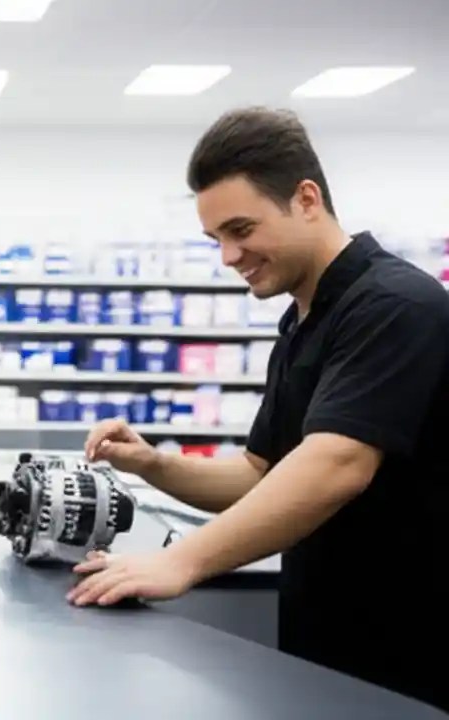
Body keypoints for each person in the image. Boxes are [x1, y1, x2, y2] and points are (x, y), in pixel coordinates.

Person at [70, 107, 449, 711]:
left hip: (407, 646)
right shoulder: (304, 319)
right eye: (216, 238)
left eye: (241, 229)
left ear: (305, 198)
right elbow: (260, 475)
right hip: (326, 636)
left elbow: (337, 463)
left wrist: (182, 563)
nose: (228, 256)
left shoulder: (396, 306)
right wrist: (152, 465)